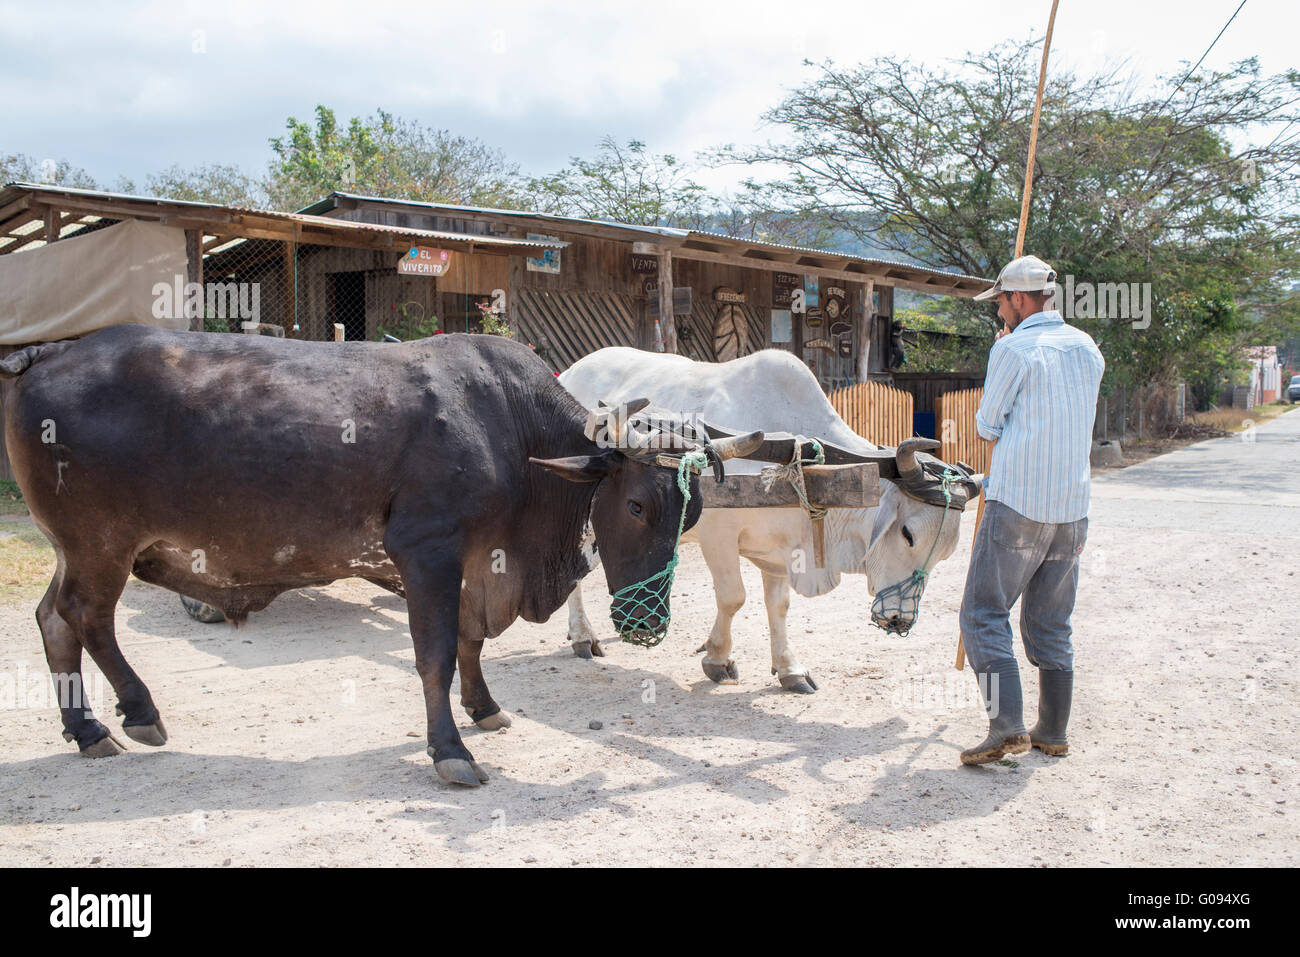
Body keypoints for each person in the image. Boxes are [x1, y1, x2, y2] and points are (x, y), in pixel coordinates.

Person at [959, 255, 1105, 765]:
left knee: (982, 614)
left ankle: (1006, 727)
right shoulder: (1087, 347)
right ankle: (1053, 731)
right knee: (1052, 622)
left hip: (1018, 504)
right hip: (1072, 509)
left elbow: (987, 427)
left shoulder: (1012, 349)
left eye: (1001, 301)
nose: (999, 310)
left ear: (1019, 299)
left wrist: (999, 354)